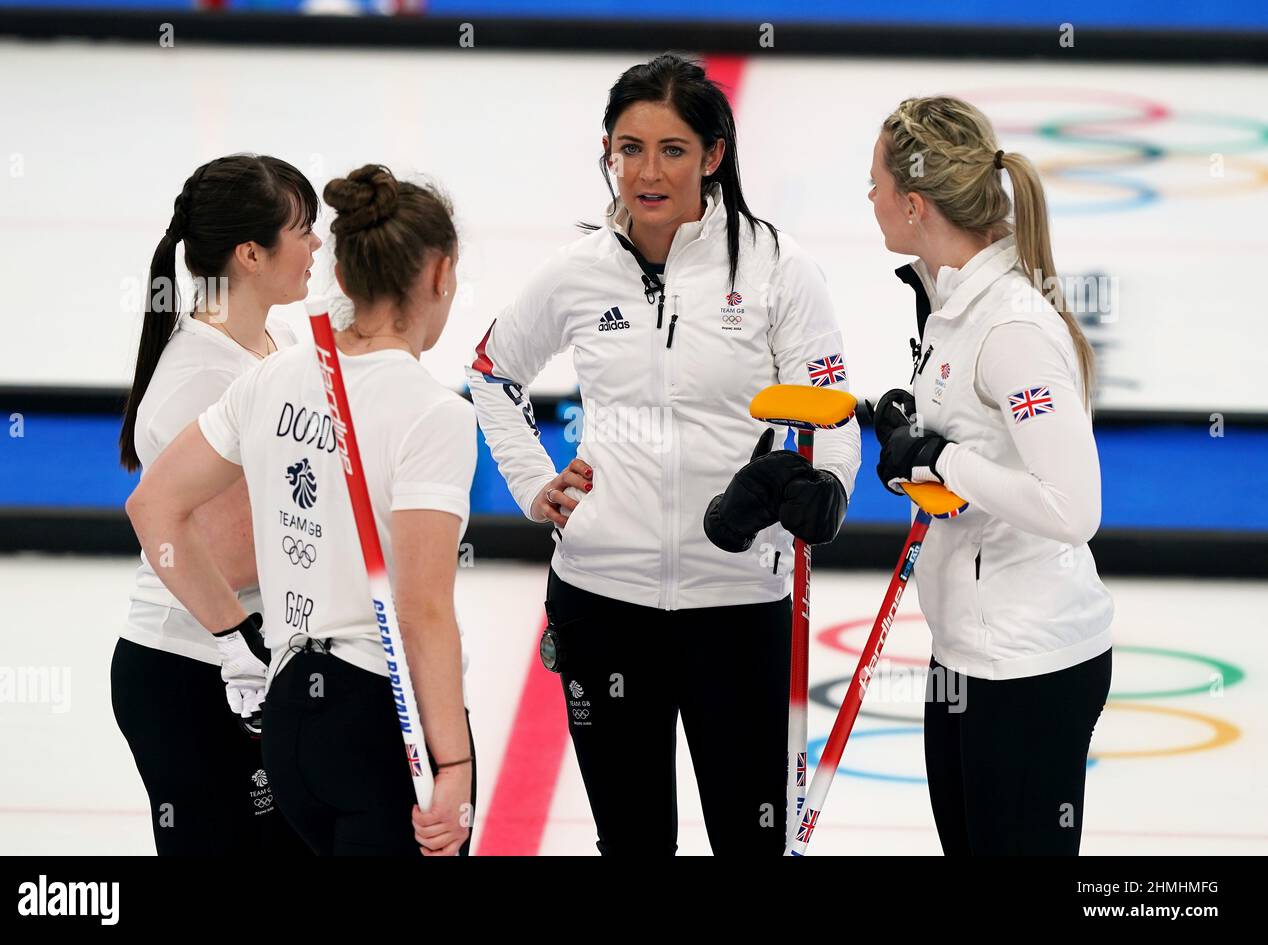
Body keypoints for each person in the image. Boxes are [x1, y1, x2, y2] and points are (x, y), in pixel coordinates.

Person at [466, 53, 860, 855]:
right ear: (607, 152)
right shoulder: (577, 274)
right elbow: (490, 372)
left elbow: (835, 414)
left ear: (713, 155)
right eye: (629, 149)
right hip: (602, 602)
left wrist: (829, 488)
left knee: (754, 842)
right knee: (633, 843)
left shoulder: (779, 270)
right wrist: (536, 482)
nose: (647, 172)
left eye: (672, 149)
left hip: (741, 605)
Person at [125, 164, 476, 856]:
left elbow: (152, 502)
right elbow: (423, 610)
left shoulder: (274, 371)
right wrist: (455, 762)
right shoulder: (436, 415)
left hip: (291, 723)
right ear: (440, 277)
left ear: (342, 278)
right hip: (379, 711)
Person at [866, 95, 1113, 855]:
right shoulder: (952, 303)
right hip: (967, 652)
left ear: (913, 205)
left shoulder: (1009, 327)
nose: (868, 198)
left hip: (1027, 664)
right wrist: (902, 439)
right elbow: (973, 448)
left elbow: (1074, 508)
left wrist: (943, 458)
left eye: (873, 182)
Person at [113, 154, 319, 855]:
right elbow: (233, 555)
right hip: (192, 671)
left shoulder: (272, 340)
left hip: (252, 657)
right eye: (304, 230)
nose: (318, 245)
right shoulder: (201, 379)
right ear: (250, 254)